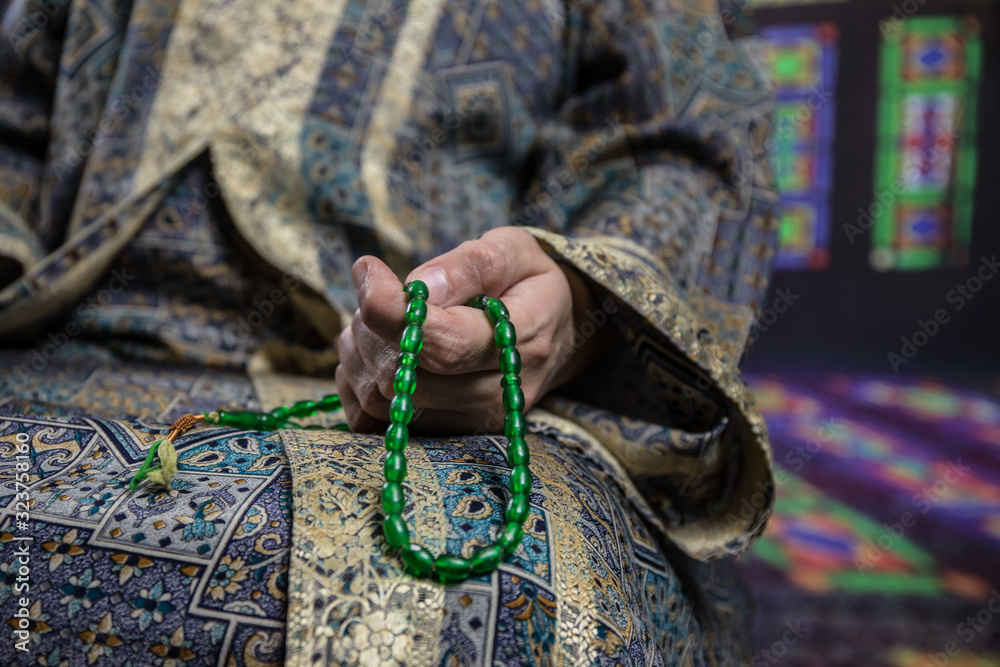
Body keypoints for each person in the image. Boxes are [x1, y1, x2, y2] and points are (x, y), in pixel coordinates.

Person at [0, 0, 778, 663]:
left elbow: (687, 135)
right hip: (47, 339)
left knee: (512, 605)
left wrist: (575, 301)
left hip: (402, 401)